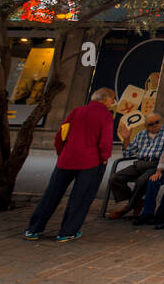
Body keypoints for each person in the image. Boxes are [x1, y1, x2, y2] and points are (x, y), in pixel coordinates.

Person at [24, 88, 116, 243]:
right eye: (112, 99)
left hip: (67, 158)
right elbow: (105, 141)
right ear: (105, 100)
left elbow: (61, 133)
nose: (113, 102)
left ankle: (34, 229)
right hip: (90, 161)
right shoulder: (105, 116)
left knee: (51, 194)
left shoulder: (77, 111)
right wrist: (104, 157)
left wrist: (62, 151)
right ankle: (67, 231)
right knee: (80, 197)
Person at [105, 112, 164, 219]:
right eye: (151, 124)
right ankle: (137, 203)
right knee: (115, 178)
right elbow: (127, 154)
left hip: (156, 164)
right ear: (146, 126)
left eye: (157, 122)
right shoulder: (141, 134)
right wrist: (126, 139)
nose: (155, 125)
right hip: (140, 163)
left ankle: (127, 208)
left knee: (142, 181)